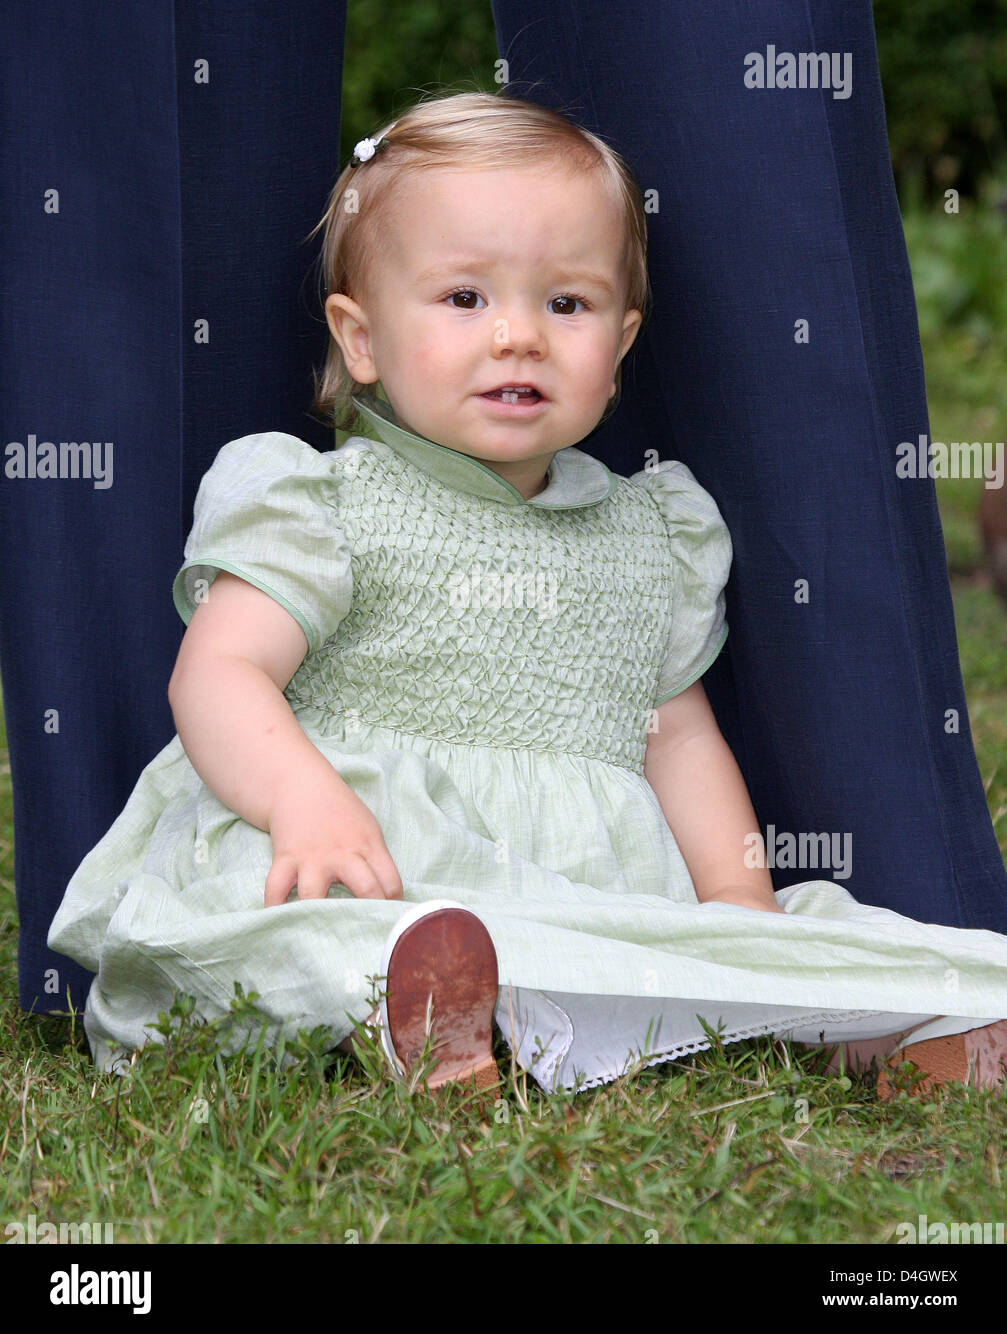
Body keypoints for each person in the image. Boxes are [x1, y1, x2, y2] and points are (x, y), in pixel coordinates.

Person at [47, 92, 1007, 1099]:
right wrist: (301, 799)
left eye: (565, 303)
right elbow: (222, 669)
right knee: (320, 935)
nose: (518, 336)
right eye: (464, 298)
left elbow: (674, 738)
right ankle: (419, 1013)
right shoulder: (324, 504)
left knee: (752, 952)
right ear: (360, 336)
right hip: (369, 856)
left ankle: (896, 1038)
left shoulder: (652, 535)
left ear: (620, 340)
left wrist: (733, 897)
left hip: (582, 895)